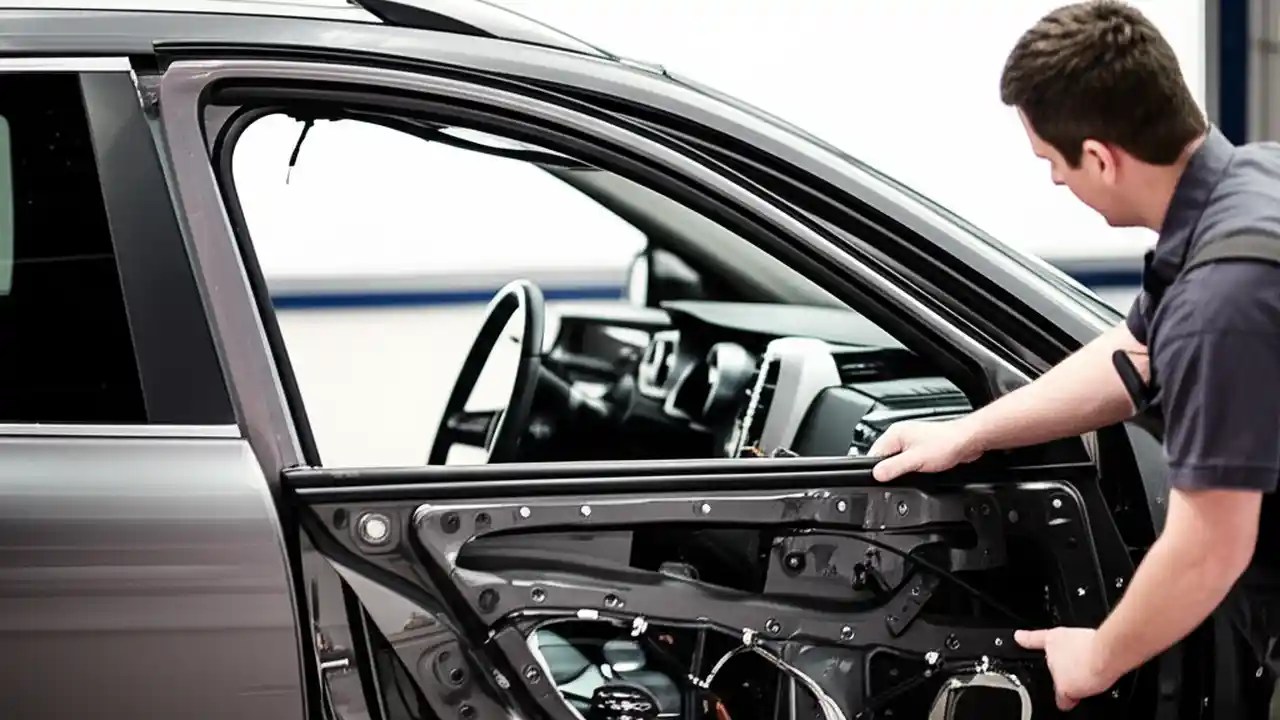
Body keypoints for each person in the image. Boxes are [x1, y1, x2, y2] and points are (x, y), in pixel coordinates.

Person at [868, 0, 1280, 712]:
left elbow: (1210, 545)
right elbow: (1133, 352)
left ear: (1099, 156)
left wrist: (1095, 658)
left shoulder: (1222, 300)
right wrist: (967, 434)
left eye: (1053, 163)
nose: (1057, 181)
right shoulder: (1253, 187)